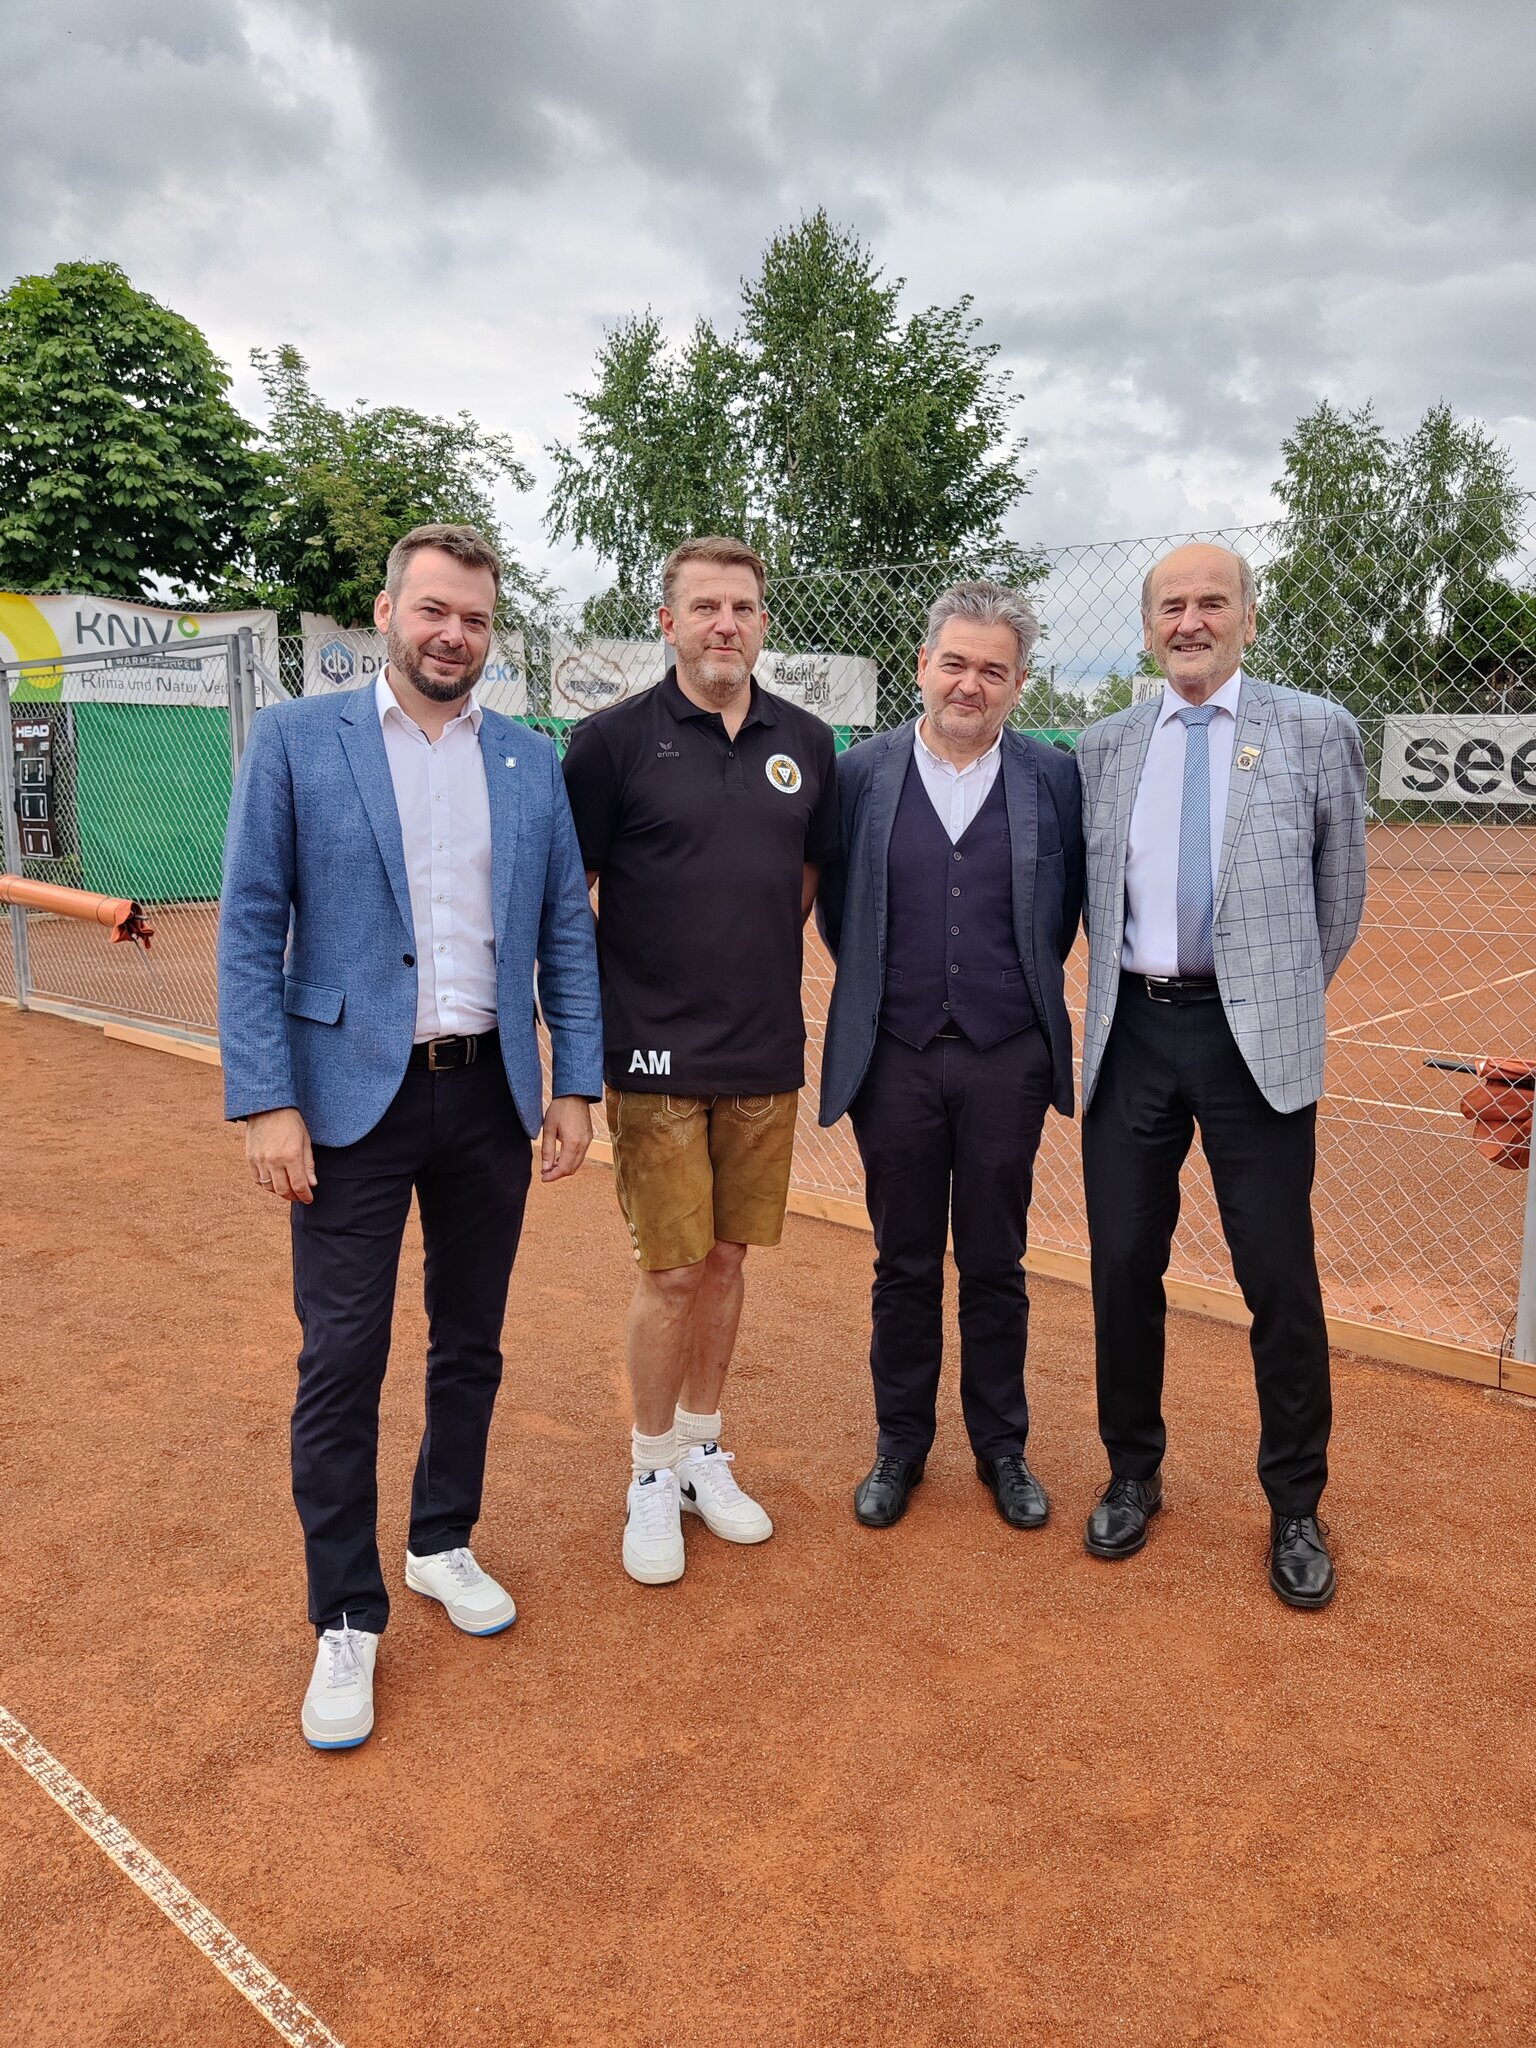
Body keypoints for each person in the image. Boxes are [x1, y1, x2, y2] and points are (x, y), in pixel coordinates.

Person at [218, 523, 602, 1748]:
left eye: (476, 619)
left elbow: (565, 934)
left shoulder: (528, 762)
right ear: (386, 612)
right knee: (341, 1358)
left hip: (488, 1094)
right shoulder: (293, 741)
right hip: (343, 1102)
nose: (454, 635)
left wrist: (575, 1081)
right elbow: (250, 924)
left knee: (471, 1338)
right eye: (434, 610)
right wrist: (265, 1097)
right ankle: (345, 1613)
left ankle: (441, 1537)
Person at [1076, 542, 1366, 1607]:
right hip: (1134, 1034)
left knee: (1279, 1279)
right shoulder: (1103, 747)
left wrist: (1265, 990)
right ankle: (1132, 1470)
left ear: (1247, 613)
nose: (1190, 620)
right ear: (1148, 625)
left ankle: (1295, 1500)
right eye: (1171, 605)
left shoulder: (1314, 728)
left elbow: (1339, 895)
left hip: (1255, 1045)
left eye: (1211, 602)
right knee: (1120, 1265)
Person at [561, 536, 838, 1586]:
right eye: (706, 606)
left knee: (727, 1260)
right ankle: (648, 1469)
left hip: (764, 1051)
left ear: (764, 622)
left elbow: (806, 873)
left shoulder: (807, 741)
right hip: (654, 1056)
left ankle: (703, 1450)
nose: (728, 623)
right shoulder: (608, 743)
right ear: (668, 622)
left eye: (746, 606)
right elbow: (573, 896)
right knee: (670, 1269)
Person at [816, 583, 1084, 1530]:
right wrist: (902, 995)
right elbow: (837, 911)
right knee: (903, 1262)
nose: (971, 684)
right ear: (924, 665)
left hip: (1007, 1058)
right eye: (956, 663)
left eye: (993, 670)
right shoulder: (858, 773)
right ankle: (900, 1447)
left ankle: (1002, 1448)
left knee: (998, 1259)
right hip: (893, 1057)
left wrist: (997, 999)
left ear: (1018, 684)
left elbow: (1064, 915)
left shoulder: (1054, 778)